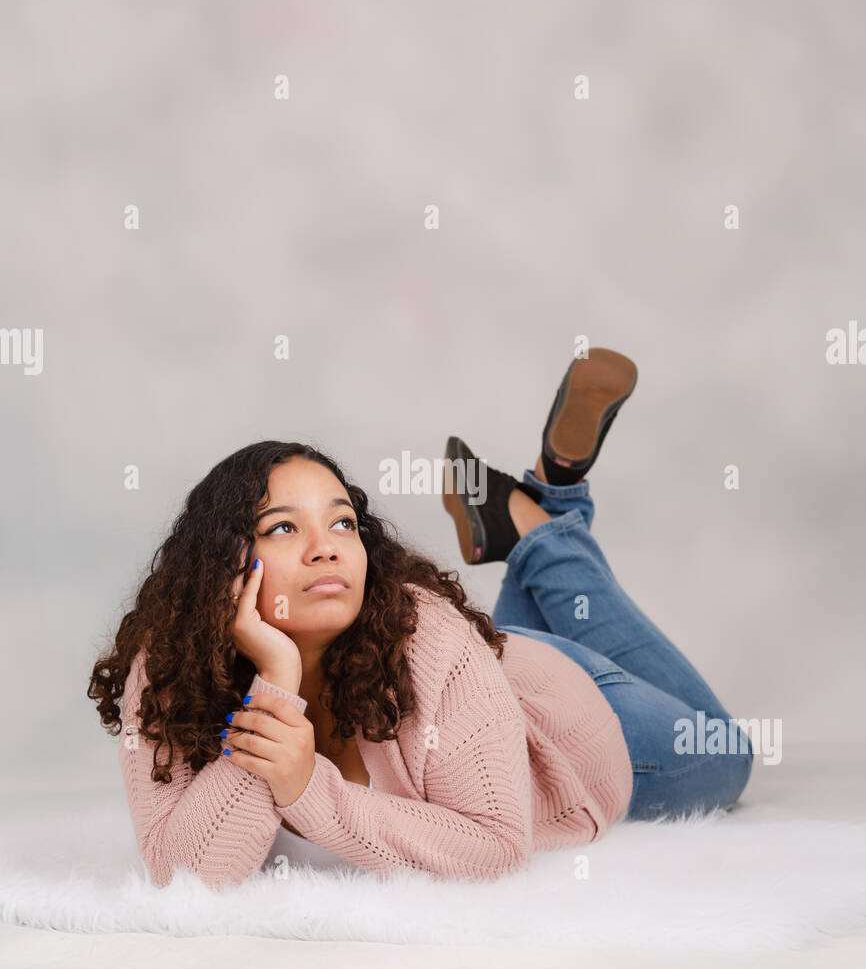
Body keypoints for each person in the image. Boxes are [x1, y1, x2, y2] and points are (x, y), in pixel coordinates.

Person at [88, 347, 753, 890]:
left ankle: (542, 524)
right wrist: (276, 683)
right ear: (222, 563)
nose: (326, 545)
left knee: (728, 754)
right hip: (483, 674)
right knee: (486, 654)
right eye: (283, 526)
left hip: (559, 712)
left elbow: (496, 845)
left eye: (342, 521)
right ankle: (541, 503)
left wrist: (306, 786)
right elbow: (184, 878)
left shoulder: (424, 634)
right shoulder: (172, 666)